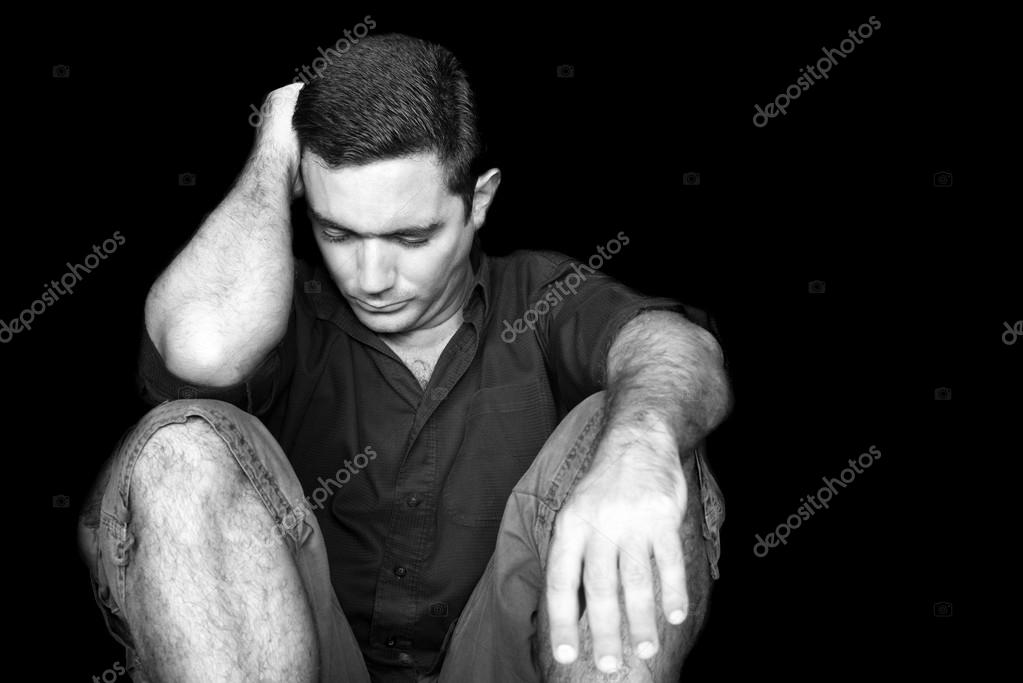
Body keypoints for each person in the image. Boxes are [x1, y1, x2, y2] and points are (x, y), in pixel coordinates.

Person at [77, 32, 730, 683]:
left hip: (509, 665)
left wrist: (639, 446)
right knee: (180, 449)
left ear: (477, 201)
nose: (370, 275)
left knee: (649, 430)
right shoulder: (279, 310)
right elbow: (203, 346)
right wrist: (275, 153)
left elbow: (679, 349)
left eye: (409, 236)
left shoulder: (538, 295)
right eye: (338, 232)